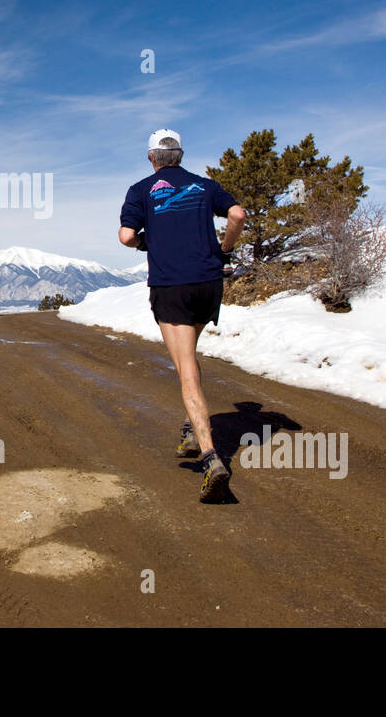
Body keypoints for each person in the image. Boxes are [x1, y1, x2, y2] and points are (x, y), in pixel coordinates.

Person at [119, 129, 246, 503]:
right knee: (189, 355)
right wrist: (224, 248)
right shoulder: (204, 186)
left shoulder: (141, 189)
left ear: (152, 158)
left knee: (186, 368)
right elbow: (237, 214)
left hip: (171, 286)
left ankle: (210, 458)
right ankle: (192, 428)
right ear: (180, 155)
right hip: (208, 283)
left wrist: (147, 241)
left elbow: (126, 236)